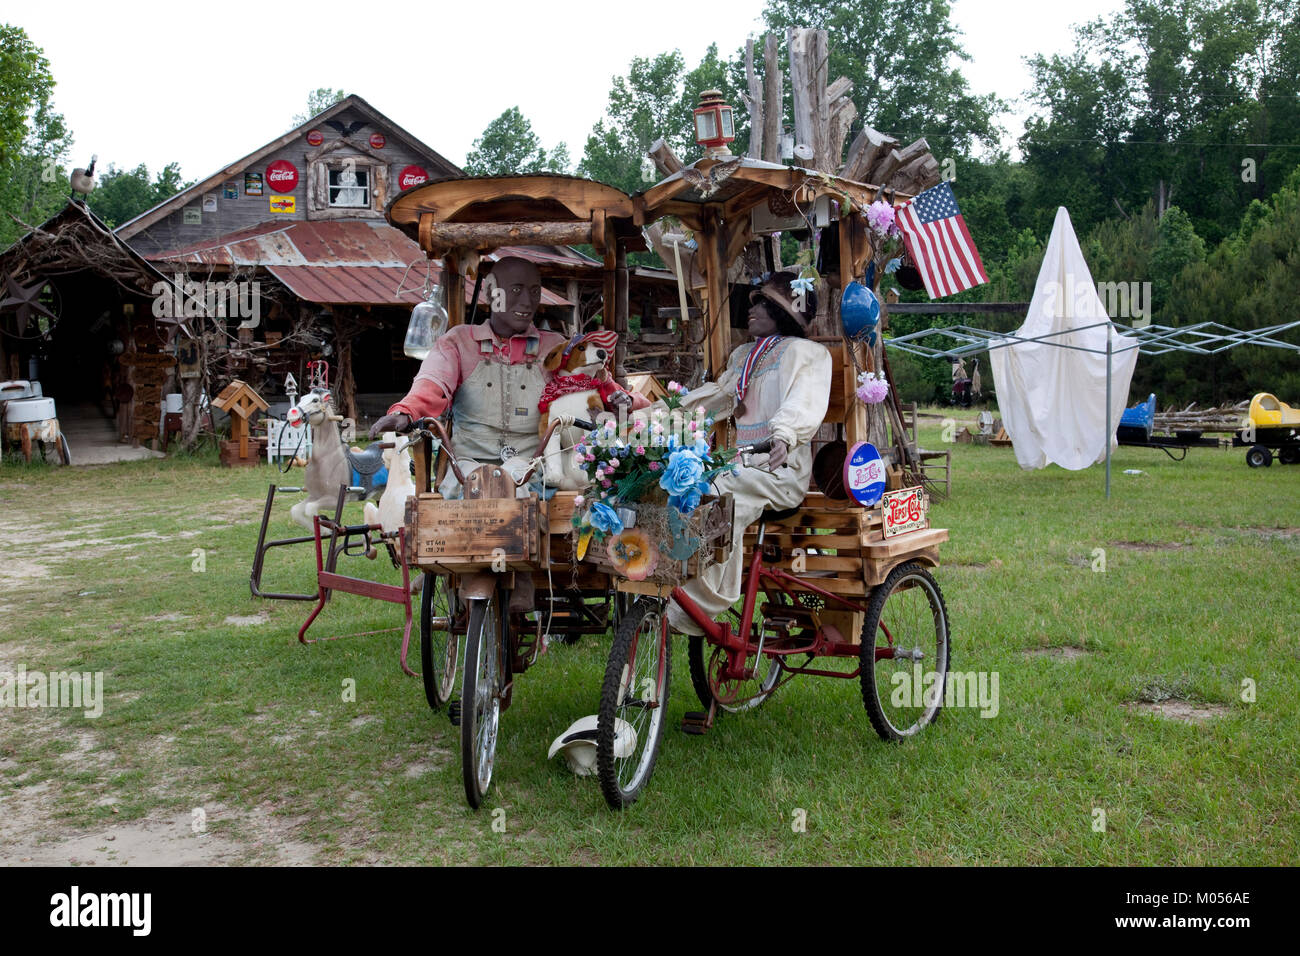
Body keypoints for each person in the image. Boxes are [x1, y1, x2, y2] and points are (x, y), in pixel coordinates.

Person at [667, 271, 832, 635]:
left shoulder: (808, 353)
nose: (752, 310)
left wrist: (784, 434)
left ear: (784, 314)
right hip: (742, 465)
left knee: (721, 488)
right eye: (754, 302)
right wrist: (663, 415)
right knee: (689, 481)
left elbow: (805, 399)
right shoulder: (745, 354)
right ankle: (677, 577)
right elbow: (718, 397)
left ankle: (705, 598)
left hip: (781, 473)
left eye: (764, 305)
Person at [369, 256, 568, 497]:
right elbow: (433, 381)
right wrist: (406, 411)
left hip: (532, 466)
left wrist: (618, 401)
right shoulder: (459, 341)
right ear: (492, 291)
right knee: (476, 485)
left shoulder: (554, 348)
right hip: (466, 464)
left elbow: (589, 382)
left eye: (534, 291)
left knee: (515, 481)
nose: (527, 301)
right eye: (516, 290)